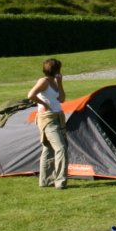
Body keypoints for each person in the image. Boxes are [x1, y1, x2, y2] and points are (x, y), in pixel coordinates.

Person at [28, 57, 68, 189]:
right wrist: (44, 104)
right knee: (61, 148)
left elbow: (62, 99)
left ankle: (45, 181)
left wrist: (60, 83)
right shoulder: (43, 81)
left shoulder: (55, 82)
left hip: (57, 116)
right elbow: (31, 95)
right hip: (47, 118)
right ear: (56, 69)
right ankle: (60, 181)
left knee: (48, 148)